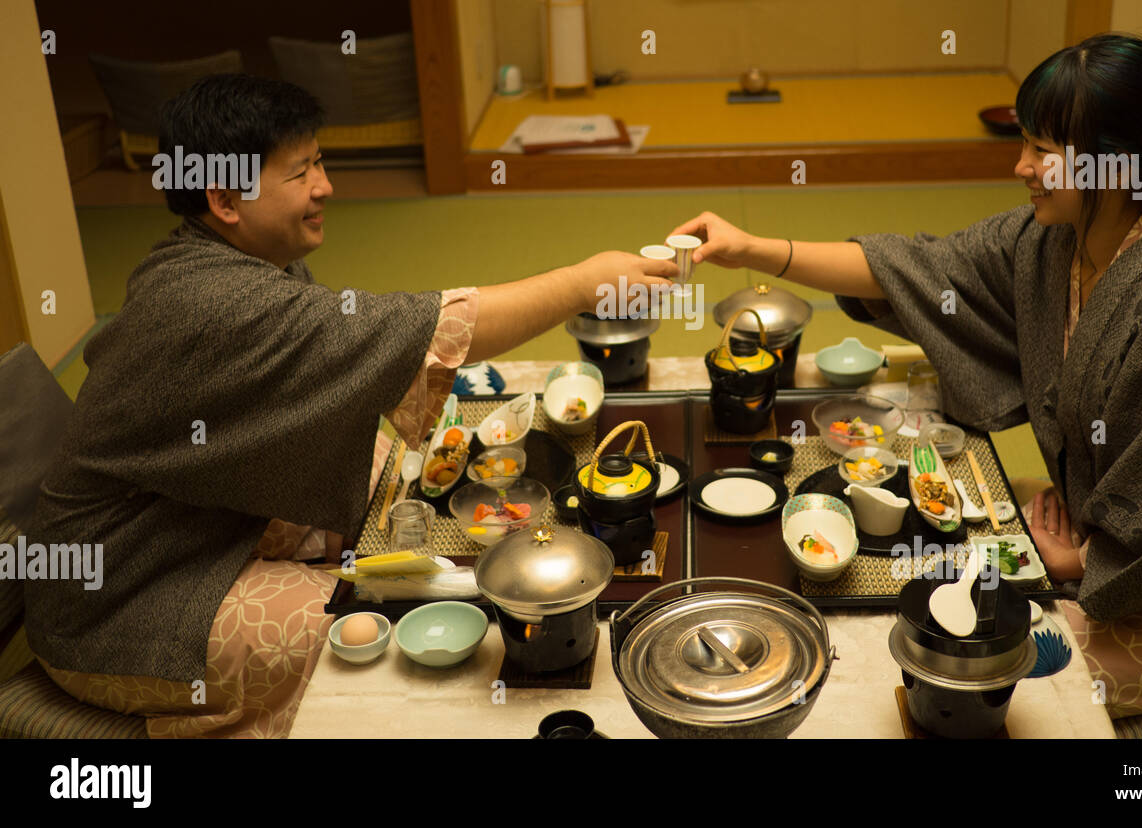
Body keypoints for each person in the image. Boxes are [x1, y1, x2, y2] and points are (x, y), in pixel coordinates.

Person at [23, 74, 677, 737]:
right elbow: (421, 330)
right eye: (301, 171)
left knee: (401, 483)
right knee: (381, 637)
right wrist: (579, 283)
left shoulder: (235, 261)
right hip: (129, 592)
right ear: (224, 197)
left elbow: (347, 368)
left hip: (205, 522)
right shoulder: (207, 302)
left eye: (320, 162)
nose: (326, 186)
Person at [672, 33, 1142, 718]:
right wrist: (751, 249)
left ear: (1114, 169)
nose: (1020, 166)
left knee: (980, 673)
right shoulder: (1050, 241)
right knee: (942, 547)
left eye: (1042, 151)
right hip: (1099, 526)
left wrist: (1082, 562)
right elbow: (919, 269)